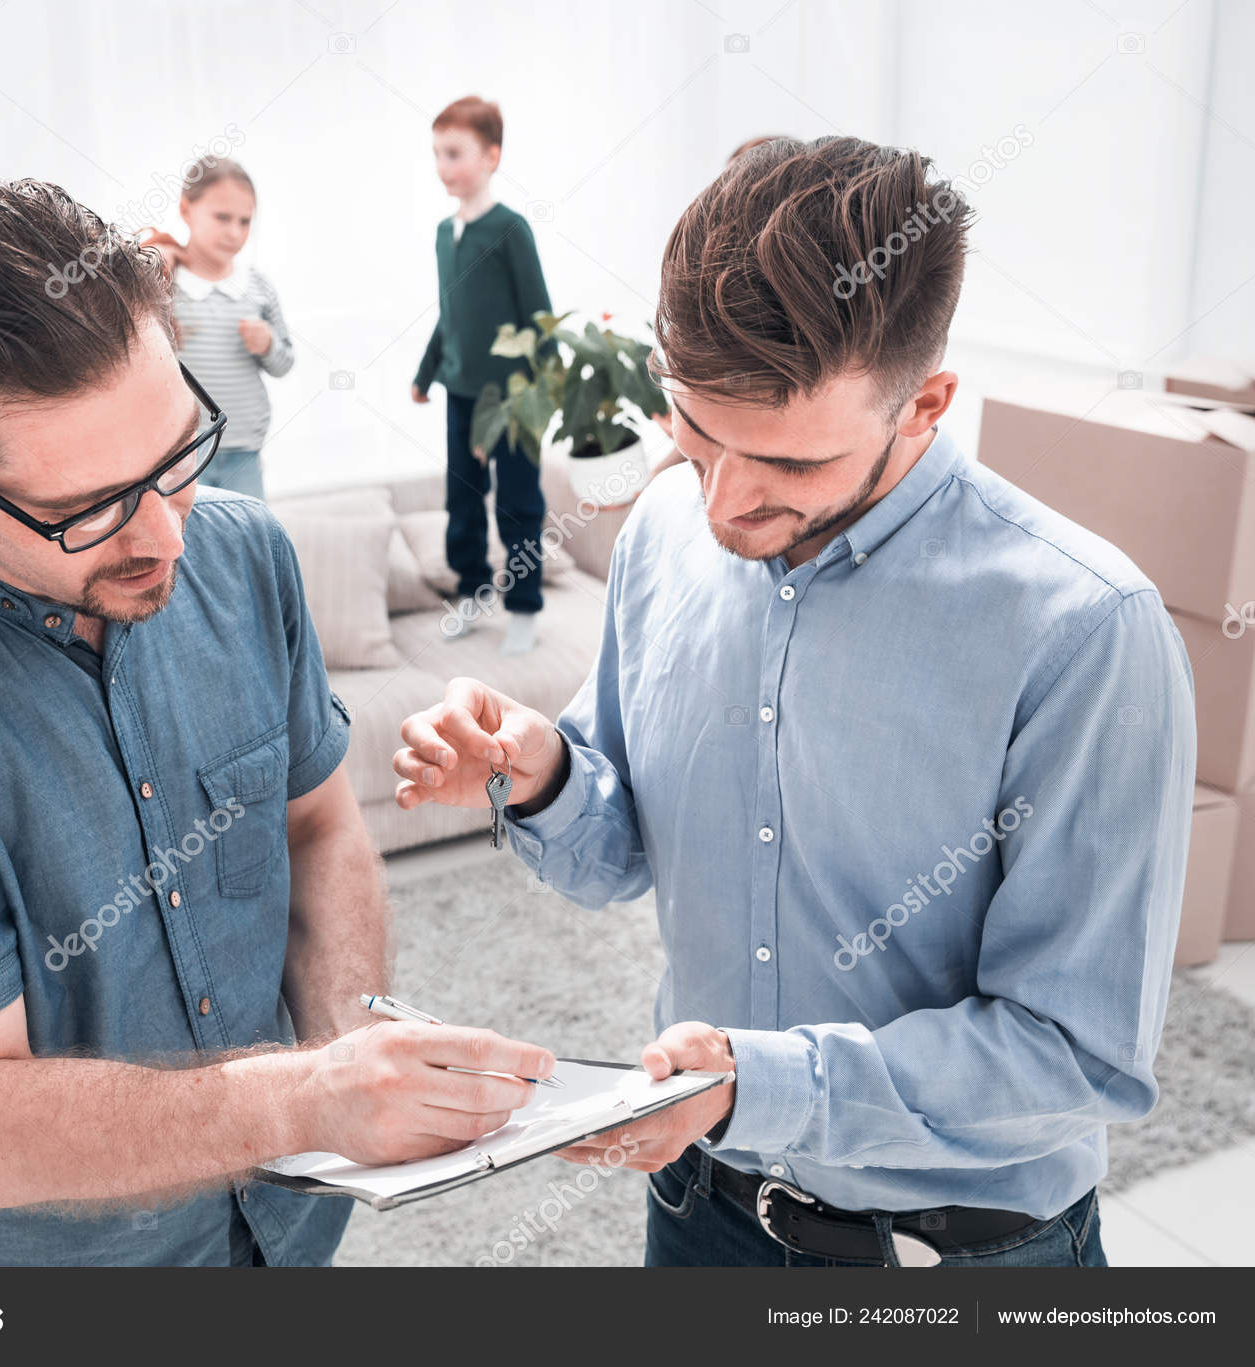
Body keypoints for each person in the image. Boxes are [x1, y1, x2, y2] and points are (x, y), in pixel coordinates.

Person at [0, 176, 554, 1267]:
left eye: (175, 458)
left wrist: (352, 1037)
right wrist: (306, 1096)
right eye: (86, 510)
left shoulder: (246, 553)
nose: (163, 535)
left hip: (287, 1224)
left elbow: (316, 827)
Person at [392, 136, 1195, 1267]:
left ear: (924, 405)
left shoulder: (1083, 629)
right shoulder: (667, 530)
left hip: (952, 1254)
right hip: (697, 1209)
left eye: (788, 464)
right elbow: (619, 852)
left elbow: (1076, 1051)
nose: (725, 500)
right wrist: (545, 773)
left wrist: (756, 1085)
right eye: (696, 428)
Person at [412, 95, 551, 656]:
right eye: (437, 154)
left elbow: (539, 316)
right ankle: (471, 593)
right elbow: (449, 315)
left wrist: (538, 394)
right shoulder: (446, 234)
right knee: (463, 501)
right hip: (461, 397)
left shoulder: (510, 229)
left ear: (491, 156)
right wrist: (426, 374)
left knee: (518, 501)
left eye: (455, 153)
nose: (444, 166)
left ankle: (523, 605)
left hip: (514, 400)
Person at [141, 156, 293, 500]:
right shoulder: (165, 284)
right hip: (184, 452)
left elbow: (285, 363)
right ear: (186, 210)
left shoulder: (258, 287)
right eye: (222, 218)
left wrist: (268, 344)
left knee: (248, 534)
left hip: (244, 448)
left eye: (245, 221)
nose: (234, 232)